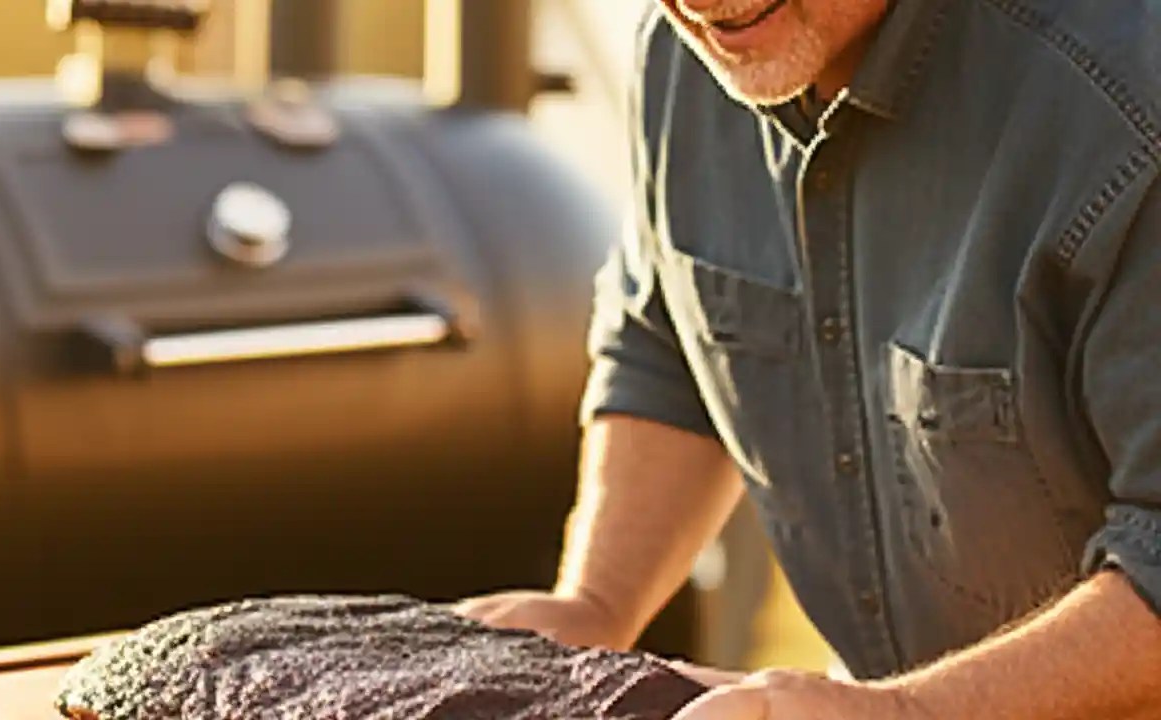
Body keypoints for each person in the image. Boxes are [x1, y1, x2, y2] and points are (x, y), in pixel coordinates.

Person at [455, 0, 1161, 717]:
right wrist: (596, 603)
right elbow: (668, 342)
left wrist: (903, 712)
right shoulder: (690, 52)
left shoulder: (1129, 104)